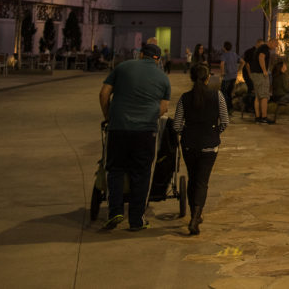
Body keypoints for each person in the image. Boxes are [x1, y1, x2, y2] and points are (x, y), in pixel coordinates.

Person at [98, 42, 171, 231]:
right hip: (145, 132)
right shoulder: (163, 79)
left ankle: (115, 211)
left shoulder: (122, 67)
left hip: (119, 128)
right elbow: (163, 108)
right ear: (157, 60)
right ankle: (137, 219)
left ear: (140, 55)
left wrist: (108, 116)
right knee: (142, 173)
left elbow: (104, 93)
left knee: (115, 170)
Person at [173, 63, 228, 235]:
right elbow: (225, 121)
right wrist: (214, 133)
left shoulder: (184, 98)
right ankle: (196, 215)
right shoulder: (217, 95)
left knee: (192, 179)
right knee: (202, 181)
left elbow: (176, 125)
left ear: (191, 77)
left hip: (190, 144)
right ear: (207, 78)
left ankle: (194, 214)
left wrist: (186, 132)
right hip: (209, 146)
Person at [246, 38, 272, 124]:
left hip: (254, 75)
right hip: (260, 75)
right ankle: (264, 117)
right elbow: (261, 57)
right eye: (276, 45)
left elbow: (248, 64)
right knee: (264, 96)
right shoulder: (264, 48)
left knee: (257, 96)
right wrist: (264, 70)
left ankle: (258, 117)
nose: (275, 47)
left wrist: (250, 75)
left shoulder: (254, 51)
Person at [218, 41, 240, 107]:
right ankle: (230, 107)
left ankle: (223, 108)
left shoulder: (224, 55)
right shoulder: (234, 54)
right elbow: (243, 62)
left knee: (223, 93)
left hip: (227, 77)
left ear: (224, 47)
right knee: (229, 92)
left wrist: (222, 73)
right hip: (234, 76)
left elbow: (222, 64)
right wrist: (239, 70)